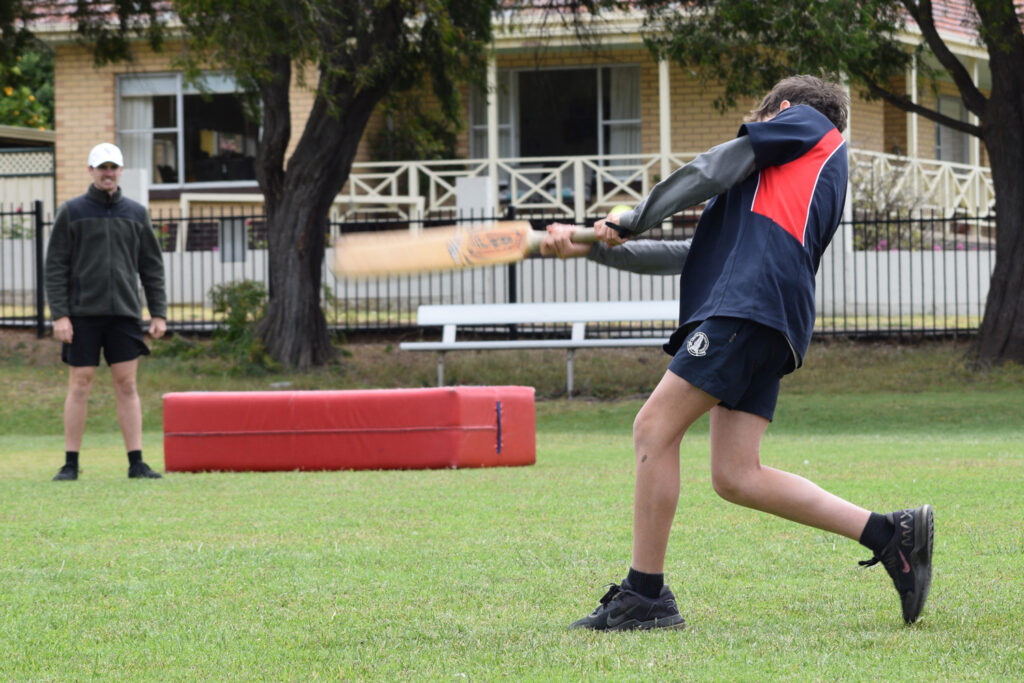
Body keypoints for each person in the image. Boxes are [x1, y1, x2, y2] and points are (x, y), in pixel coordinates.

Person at [557, 75, 933, 630]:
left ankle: (645, 595)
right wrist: (593, 247)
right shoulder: (777, 182)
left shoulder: (810, 123)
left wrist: (634, 215)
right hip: (770, 317)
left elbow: (710, 167)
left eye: (763, 118)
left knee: (653, 428)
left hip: (749, 304)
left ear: (780, 110)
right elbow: (690, 252)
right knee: (736, 475)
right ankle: (890, 534)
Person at [45, 142, 168, 481]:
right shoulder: (72, 211)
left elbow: (151, 266)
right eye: (102, 167)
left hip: (124, 314)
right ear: (91, 171)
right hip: (81, 313)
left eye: (113, 167)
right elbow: (55, 266)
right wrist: (60, 314)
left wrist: (158, 313)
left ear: (121, 170)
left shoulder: (136, 213)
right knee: (80, 384)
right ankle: (70, 463)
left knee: (127, 384)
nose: (108, 173)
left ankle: (136, 463)